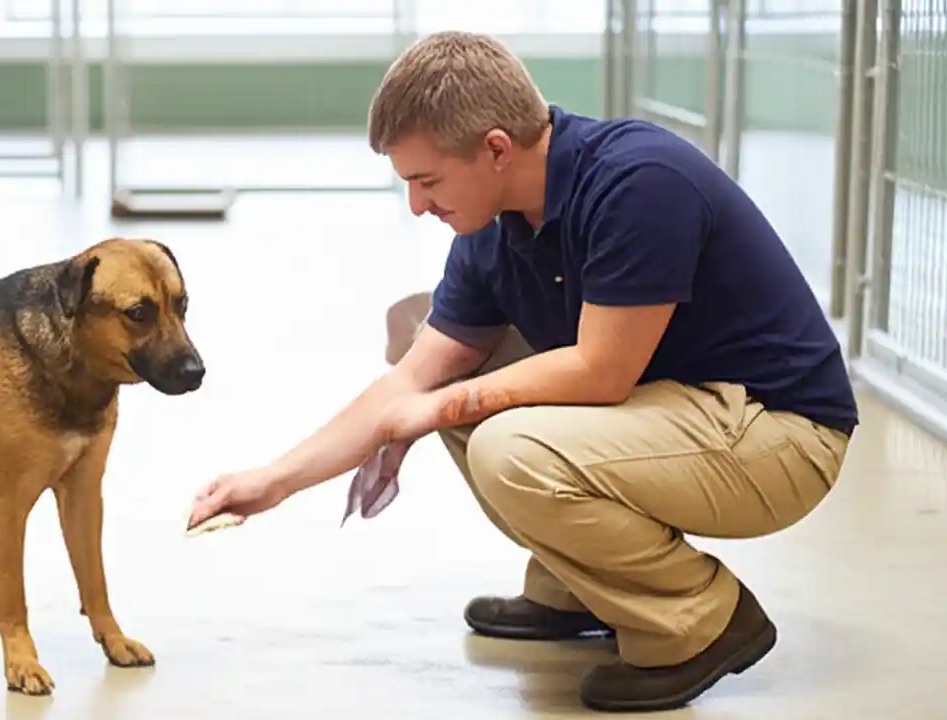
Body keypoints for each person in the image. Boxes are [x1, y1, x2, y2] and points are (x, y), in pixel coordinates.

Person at [186, 30, 857, 713]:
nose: (418, 205)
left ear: (497, 149)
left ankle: (701, 619)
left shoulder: (639, 182)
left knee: (505, 443)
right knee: (452, 383)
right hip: (680, 412)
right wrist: (273, 481)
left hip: (777, 438)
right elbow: (408, 385)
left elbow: (602, 374)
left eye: (428, 180)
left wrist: (446, 411)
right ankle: (578, 590)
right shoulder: (491, 226)